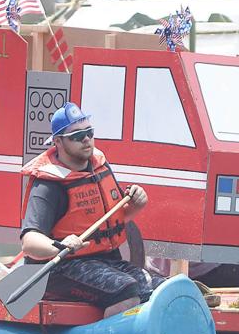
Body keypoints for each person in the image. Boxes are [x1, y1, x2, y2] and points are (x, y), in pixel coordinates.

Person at [20, 102, 163, 318]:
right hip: (60, 269)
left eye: (89, 132)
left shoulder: (99, 166)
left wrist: (135, 206)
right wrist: (60, 246)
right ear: (58, 142)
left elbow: (114, 220)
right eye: (77, 136)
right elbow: (29, 242)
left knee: (160, 287)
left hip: (106, 260)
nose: (86, 139)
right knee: (126, 290)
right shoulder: (49, 185)